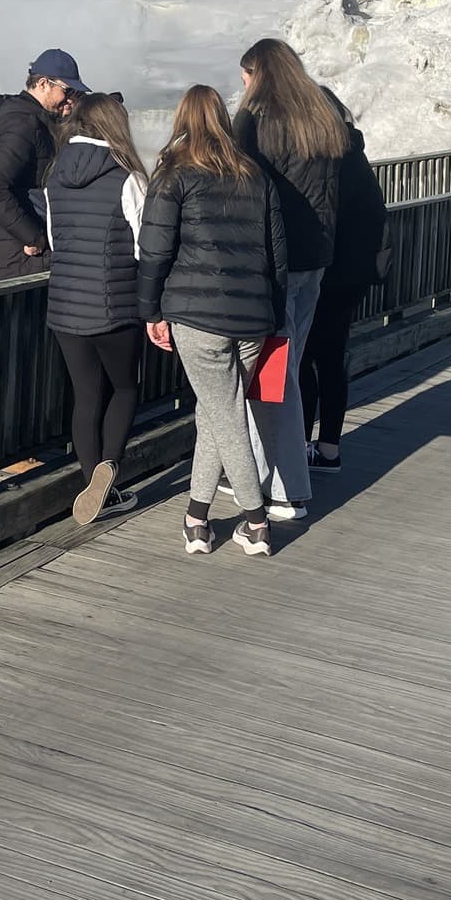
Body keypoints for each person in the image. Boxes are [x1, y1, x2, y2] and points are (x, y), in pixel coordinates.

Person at [138, 85, 290, 558]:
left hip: (196, 317)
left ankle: (256, 522)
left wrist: (151, 311)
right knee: (216, 415)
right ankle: (196, 519)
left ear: (183, 119)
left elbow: (155, 251)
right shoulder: (256, 175)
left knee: (226, 418)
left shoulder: (174, 174)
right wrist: (275, 314)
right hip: (251, 319)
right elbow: (277, 254)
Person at [233, 38, 349, 522]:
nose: (241, 87)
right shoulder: (320, 114)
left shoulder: (256, 120)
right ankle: (276, 476)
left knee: (268, 375)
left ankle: (276, 486)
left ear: (258, 73)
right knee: (287, 366)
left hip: (275, 264)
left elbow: (239, 188)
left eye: (244, 77)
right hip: (315, 261)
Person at [44, 92, 149, 524]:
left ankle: (95, 484)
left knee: (86, 395)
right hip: (116, 303)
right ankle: (110, 465)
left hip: (66, 305)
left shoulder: (53, 174)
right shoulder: (127, 176)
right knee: (123, 388)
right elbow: (147, 245)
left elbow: (54, 241)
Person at [299, 116, 392, 471]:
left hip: (322, 273)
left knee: (303, 359)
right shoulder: (356, 158)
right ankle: (329, 448)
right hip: (352, 276)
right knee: (333, 359)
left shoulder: (324, 161)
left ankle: (300, 444)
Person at [0, 50, 85, 284]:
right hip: (14, 261)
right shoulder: (22, 123)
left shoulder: (32, 119)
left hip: (10, 257)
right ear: (43, 84)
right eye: (67, 90)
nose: (70, 99)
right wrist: (35, 237)